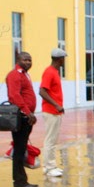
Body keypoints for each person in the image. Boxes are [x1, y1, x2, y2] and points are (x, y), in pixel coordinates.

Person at [6, 52, 39, 187]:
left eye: (30, 60)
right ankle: (20, 182)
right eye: (25, 60)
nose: (28, 62)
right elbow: (14, 96)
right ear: (18, 60)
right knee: (19, 150)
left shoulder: (24, 74)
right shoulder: (15, 75)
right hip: (20, 117)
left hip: (26, 117)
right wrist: (27, 112)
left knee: (21, 148)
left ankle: (22, 180)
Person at [39, 48, 67, 178]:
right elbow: (42, 91)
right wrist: (56, 104)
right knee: (50, 140)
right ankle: (49, 167)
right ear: (59, 59)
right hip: (51, 111)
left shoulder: (54, 72)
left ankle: (50, 165)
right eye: (63, 58)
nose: (64, 61)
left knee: (53, 139)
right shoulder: (49, 72)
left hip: (55, 111)